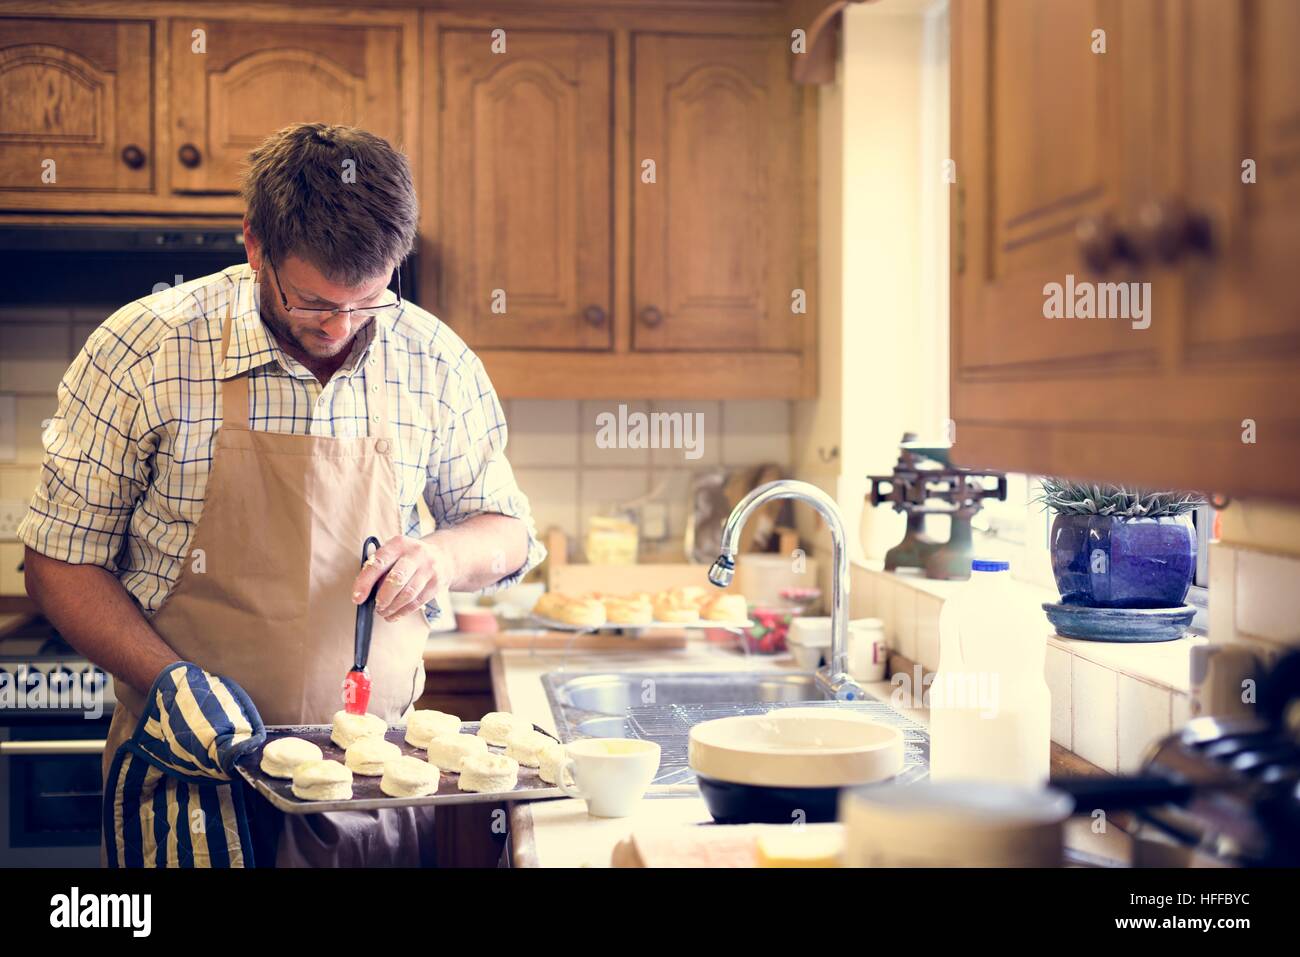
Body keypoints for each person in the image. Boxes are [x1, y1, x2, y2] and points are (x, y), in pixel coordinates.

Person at [19, 122, 544, 866]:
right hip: (188, 786)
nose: (340, 326)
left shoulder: (434, 360)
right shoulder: (144, 351)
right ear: (254, 246)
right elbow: (58, 563)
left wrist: (442, 554)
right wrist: (167, 680)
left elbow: (510, 530)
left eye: (367, 302)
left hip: (372, 785)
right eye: (313, 302)